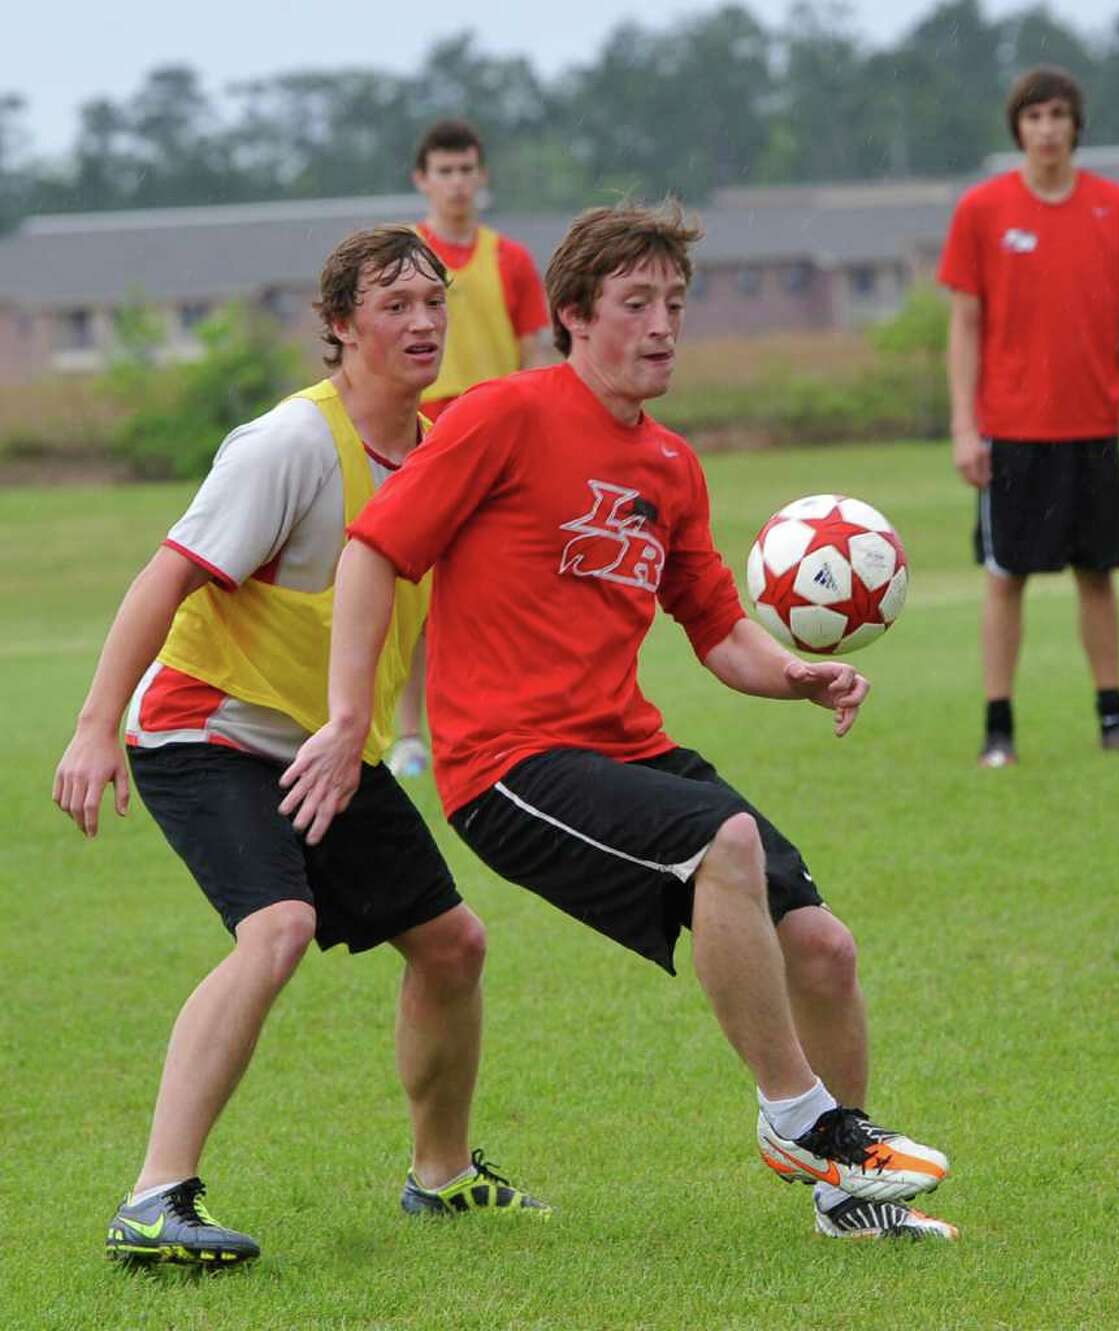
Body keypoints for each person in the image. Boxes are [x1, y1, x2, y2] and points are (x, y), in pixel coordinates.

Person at [280, 202, 959, 1242]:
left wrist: (797, 675)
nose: (661, 326)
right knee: (719, 840)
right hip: (505, 762)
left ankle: (848, 1197)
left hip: (621, 742)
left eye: (675, 305)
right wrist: (342, 716)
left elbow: (721, 631)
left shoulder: (672, 467)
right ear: (573, 316)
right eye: (635, 303)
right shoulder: (502, 415)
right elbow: (375, 549)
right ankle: (796, 1117)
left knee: (823, 946)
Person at [52, 225, 546, 1268]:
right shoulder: (287, 444)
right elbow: (166, 578)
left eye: (433, 303)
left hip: (324, 746)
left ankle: (442, 1177)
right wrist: (96, 725)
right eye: (393, 305)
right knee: (276, 925)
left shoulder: (441, 446)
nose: (421, 323)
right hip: (205, 726)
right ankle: (154, 1196)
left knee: (454, 944)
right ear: (338, 325)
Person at [940, 65, 1119, 768]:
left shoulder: (1116, 207)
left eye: (1059, 115)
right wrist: (965, 426)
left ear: (1075, 126)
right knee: (1007, 577)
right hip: (1011, 431)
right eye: (1034, 117)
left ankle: (1114, 718)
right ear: (1018, 128)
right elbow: (965, 326)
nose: (1047, 129)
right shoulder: (982, 210)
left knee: (1098, 575)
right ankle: (998, 728)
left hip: (1094, 428)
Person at [389, 119, 555, 780]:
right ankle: (407, 734)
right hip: (422, 434)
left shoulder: (509, 258)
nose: (457, 183)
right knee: (412, 590)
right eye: (445, 171)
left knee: (505, 584)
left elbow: (536, 353)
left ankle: (514, 721)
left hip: (498, 438)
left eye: (467, 170)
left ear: (482, 177)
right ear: (422, 180)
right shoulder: (404, 254)